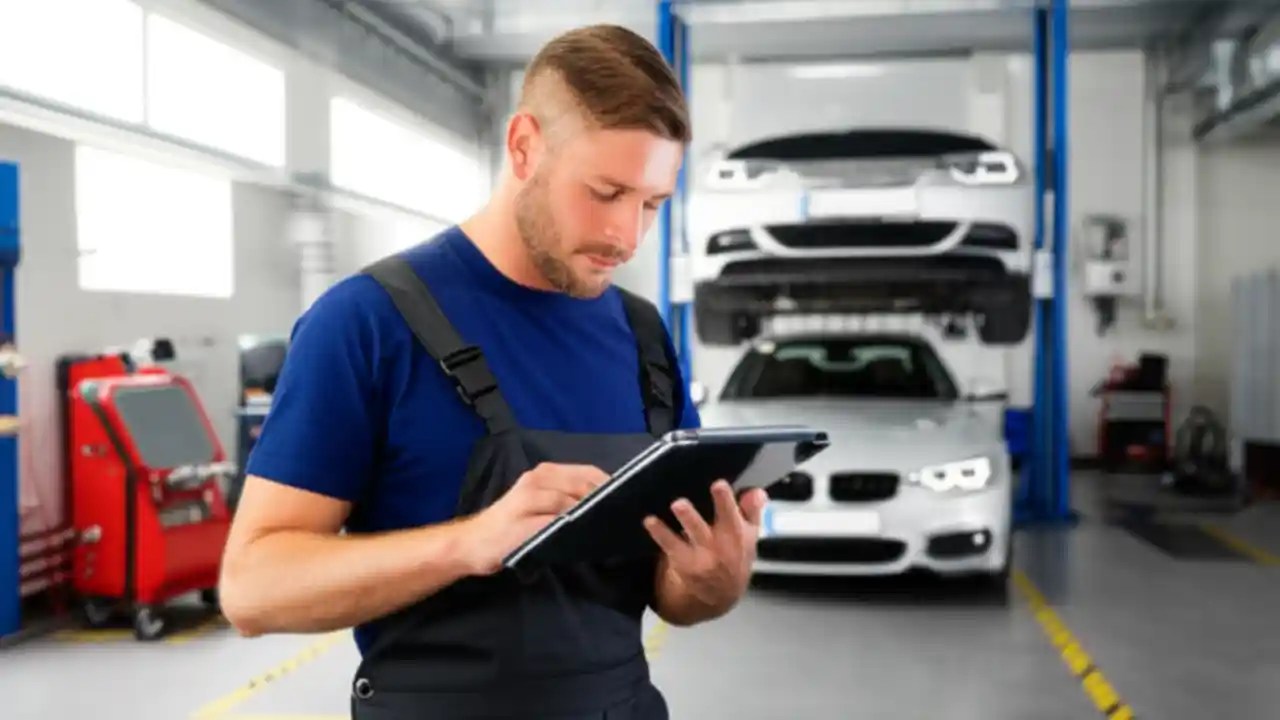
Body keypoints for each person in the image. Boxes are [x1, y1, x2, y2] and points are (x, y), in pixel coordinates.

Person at [218, 23, 768, 720]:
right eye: (604, 192)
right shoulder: (366, 323)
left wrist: (714, 580)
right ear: (524, 146)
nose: (627, 237)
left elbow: (671, 594)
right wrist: (467, 543)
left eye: (652, 204)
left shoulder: (642, 336)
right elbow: (253, 590)